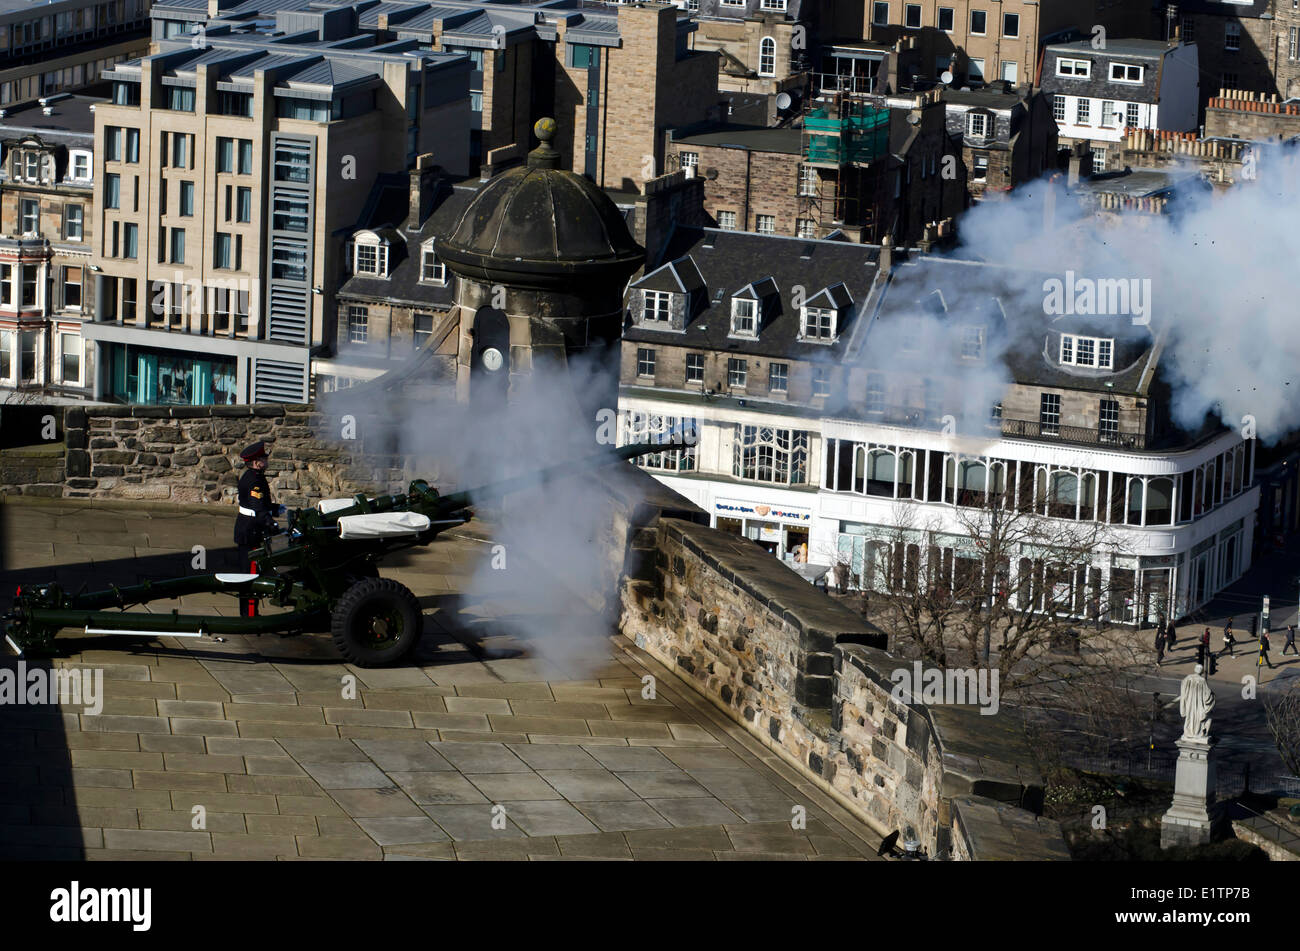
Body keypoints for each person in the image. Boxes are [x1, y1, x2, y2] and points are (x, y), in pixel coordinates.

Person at [233, 441, 285, 618]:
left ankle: (249, 613)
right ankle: (249, 615)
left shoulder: (254, 475)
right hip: (251, 532)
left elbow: (262, 504)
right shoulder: (255, 480)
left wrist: (277, 508)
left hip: (249, 528)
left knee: (251, 572)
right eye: (263, 458)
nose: (266, 459)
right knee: (251, 575)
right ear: (256, 463)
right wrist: (272, 523)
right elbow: (257, 508)